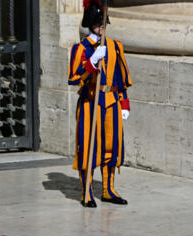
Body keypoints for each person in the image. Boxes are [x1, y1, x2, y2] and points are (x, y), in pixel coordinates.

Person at [68, 2, 132, 207]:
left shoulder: (115, 46)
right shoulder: (81, 48)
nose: (101, 26)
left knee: (111, 147)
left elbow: (121, 79)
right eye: (97, 23)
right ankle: (86, 192)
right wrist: (92, 63)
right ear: (90, 24)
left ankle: (108, 189)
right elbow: (74, 78)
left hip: (112, 101)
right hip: (90, 102)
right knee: (89, 147)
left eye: (102, 22)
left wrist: (125, 104)